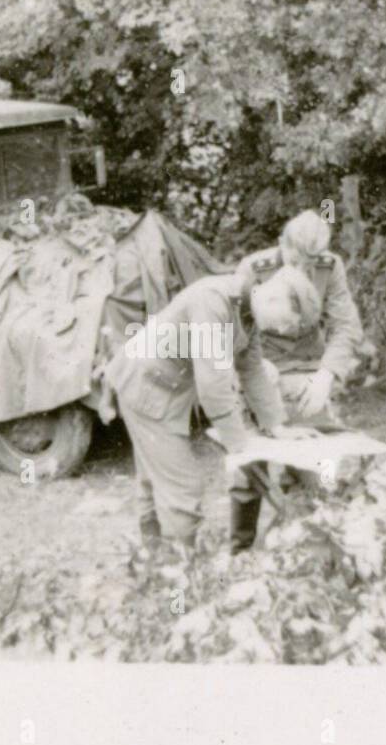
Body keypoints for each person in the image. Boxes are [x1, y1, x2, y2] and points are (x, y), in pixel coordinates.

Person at [107, 264, 321, 557]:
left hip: (165, 388)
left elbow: (252, 369)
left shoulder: (247, 312)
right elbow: (213, 383)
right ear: (274, 299)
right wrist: (238, 443)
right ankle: (176, 575)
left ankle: (154, 562)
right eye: (285, 324)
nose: (282, 332)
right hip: (147, 388)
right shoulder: (213, 301)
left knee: (154, 479)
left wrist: (278, 426)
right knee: (181, 488)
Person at [235, 209, 365, 427]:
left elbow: (345, 326)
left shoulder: (331, 266)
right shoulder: (253, 268)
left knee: (316, 439)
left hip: (308, 365)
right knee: (261, 442)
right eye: (295, 261)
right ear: (281, 243)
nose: (303, 270)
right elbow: (233, 330)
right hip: (264, 364)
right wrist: (256, 363)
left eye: (310, 263)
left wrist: (326, 374)